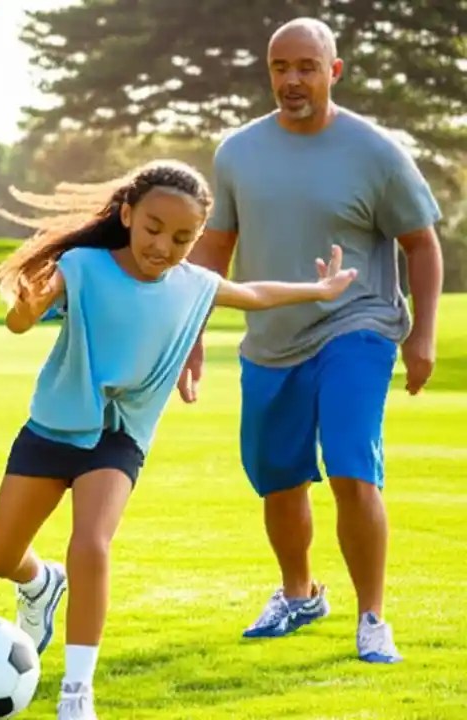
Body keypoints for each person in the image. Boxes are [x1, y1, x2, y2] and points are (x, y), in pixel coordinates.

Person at [0, 160, 358, 720]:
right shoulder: (82, 266)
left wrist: (320, 288)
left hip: (118, 437)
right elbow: (19, 320)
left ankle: (77, 692)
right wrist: (28, 306)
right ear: (128, 214)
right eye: (153, 228)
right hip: (52, 427)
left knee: (91, 544)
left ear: (197, 238)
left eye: (183, 238)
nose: (164, 246)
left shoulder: (196, 287)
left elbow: (254, 293)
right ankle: (40, 584)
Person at [178, 17, 443, 663]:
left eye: (305, 66)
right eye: (280, 67)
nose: (292, 80)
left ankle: (373, 617)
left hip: (359, 324)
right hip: (271, 336)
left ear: (334, 71)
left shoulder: (376, 152)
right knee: (278, 480)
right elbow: (215, 244)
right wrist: (189, 331)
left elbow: (421, 243)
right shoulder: (237, 151)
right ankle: (300, 593)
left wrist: (422, 337)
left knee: (352, 465)